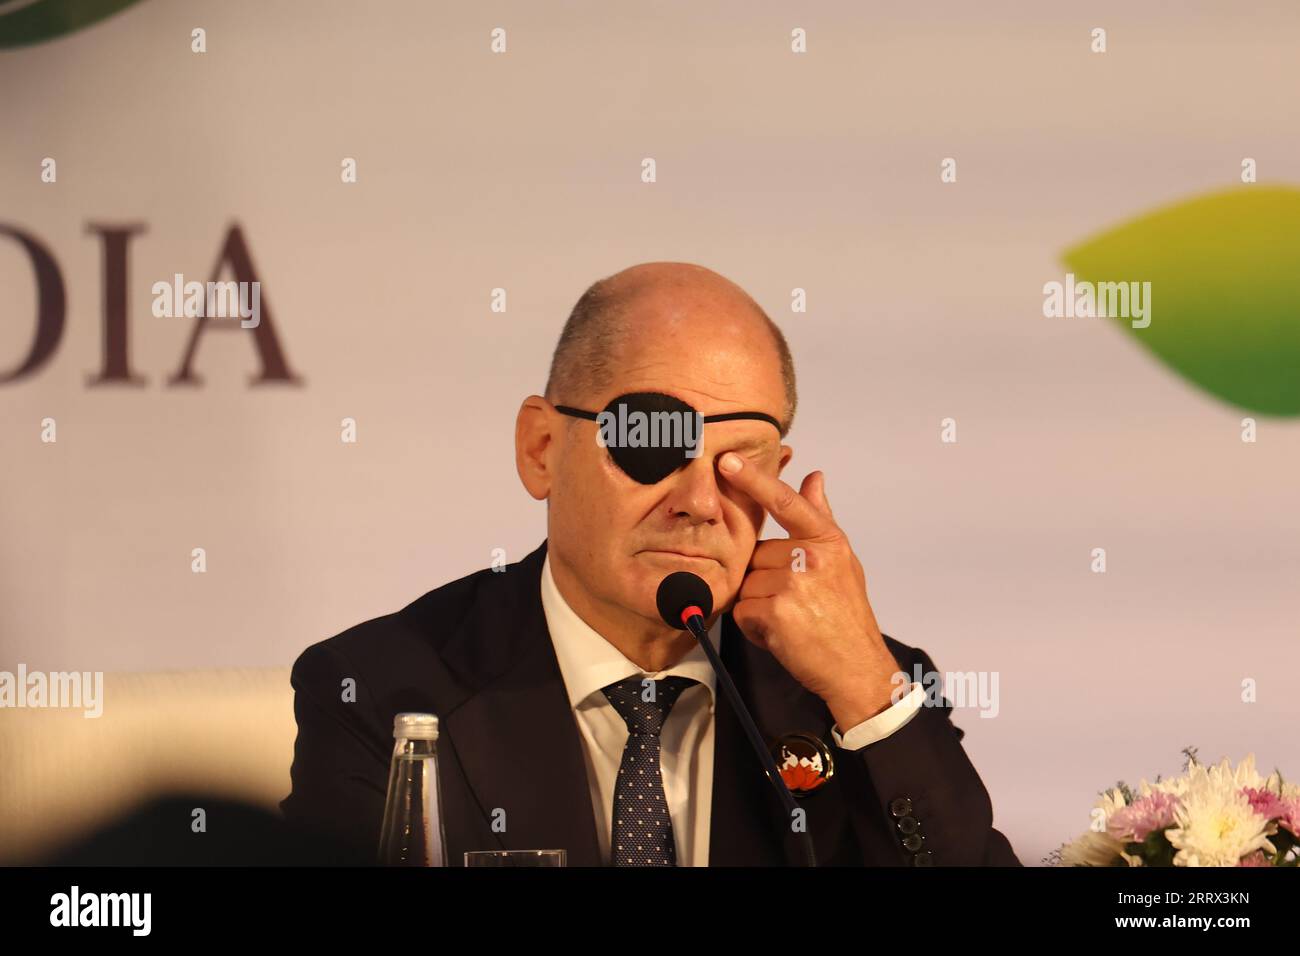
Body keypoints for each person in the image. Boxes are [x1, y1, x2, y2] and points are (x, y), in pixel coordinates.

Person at [281, 262, 1020, 866]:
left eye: (741, 464)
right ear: (542, 449)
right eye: (650, 443)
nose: (700, 501)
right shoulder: (379, 689)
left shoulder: (855, 694)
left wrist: (867, 690)